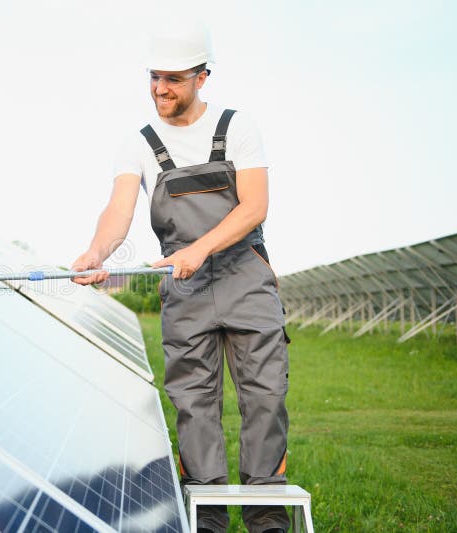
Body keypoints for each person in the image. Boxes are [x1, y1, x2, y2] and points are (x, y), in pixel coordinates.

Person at [71, 26, 291, 533]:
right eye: (154, 78)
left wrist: (200, 248)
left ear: (201, 76)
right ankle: (207, 520)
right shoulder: (140, 143)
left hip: (246, 279)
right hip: (185, 290)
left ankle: (266, 520)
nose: (160, 89)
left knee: (265, 398)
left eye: (173, 79)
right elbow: (118, 209)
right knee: (194, 406)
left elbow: (254, 205)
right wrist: (98, 250)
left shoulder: (237, 127)